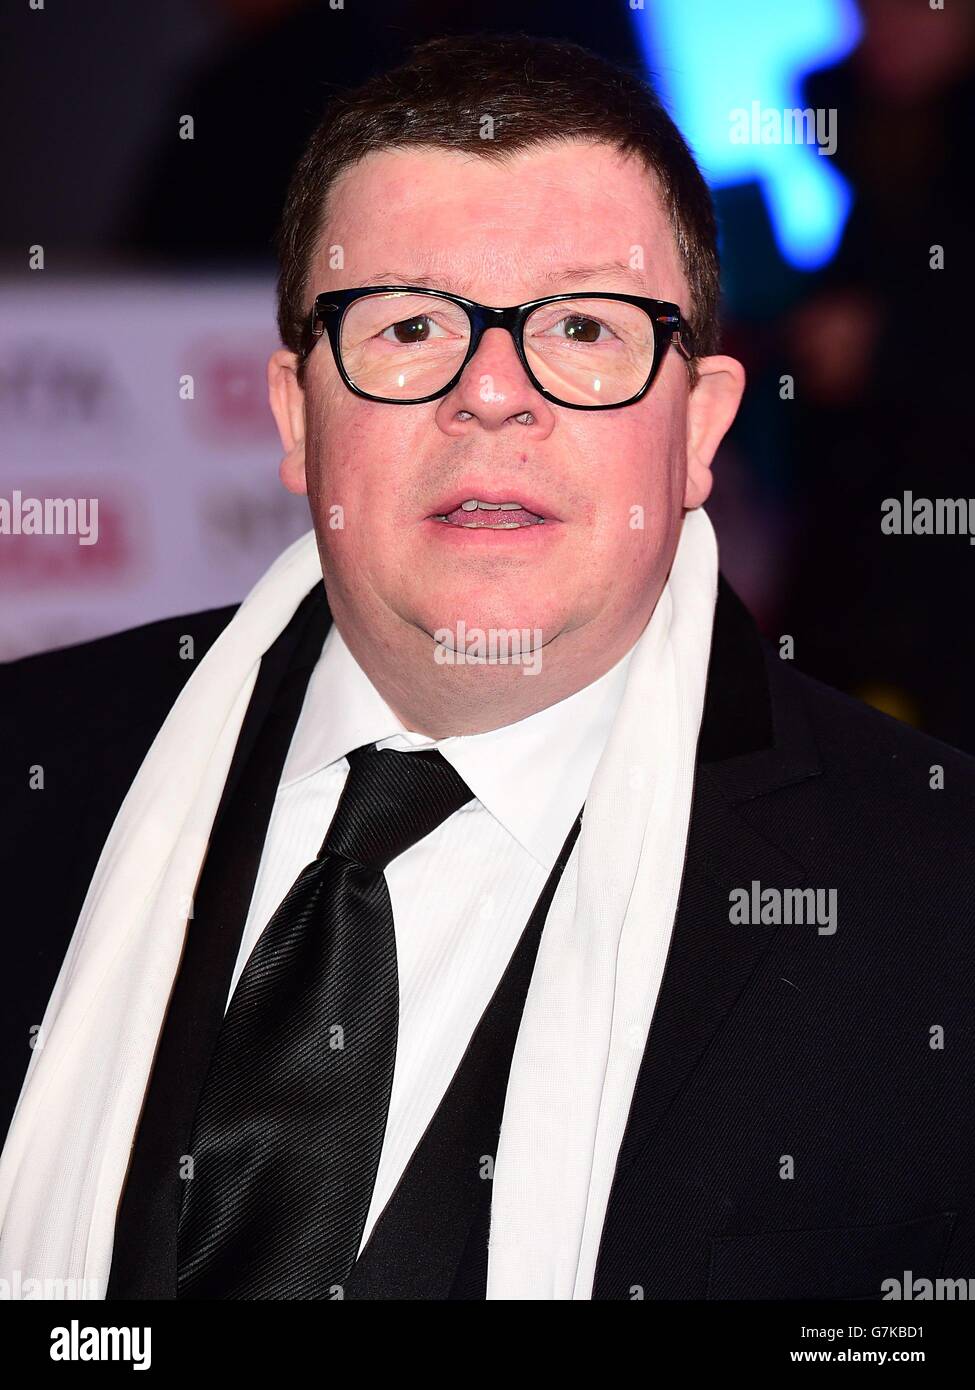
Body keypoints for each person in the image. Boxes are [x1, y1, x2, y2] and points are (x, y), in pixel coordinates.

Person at [1, 33, 972, 1303]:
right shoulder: (32, 769)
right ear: (296, 414)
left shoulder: (937, 907)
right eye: (411, 323)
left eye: (583, 326)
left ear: (700, 427)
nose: (495, 393)